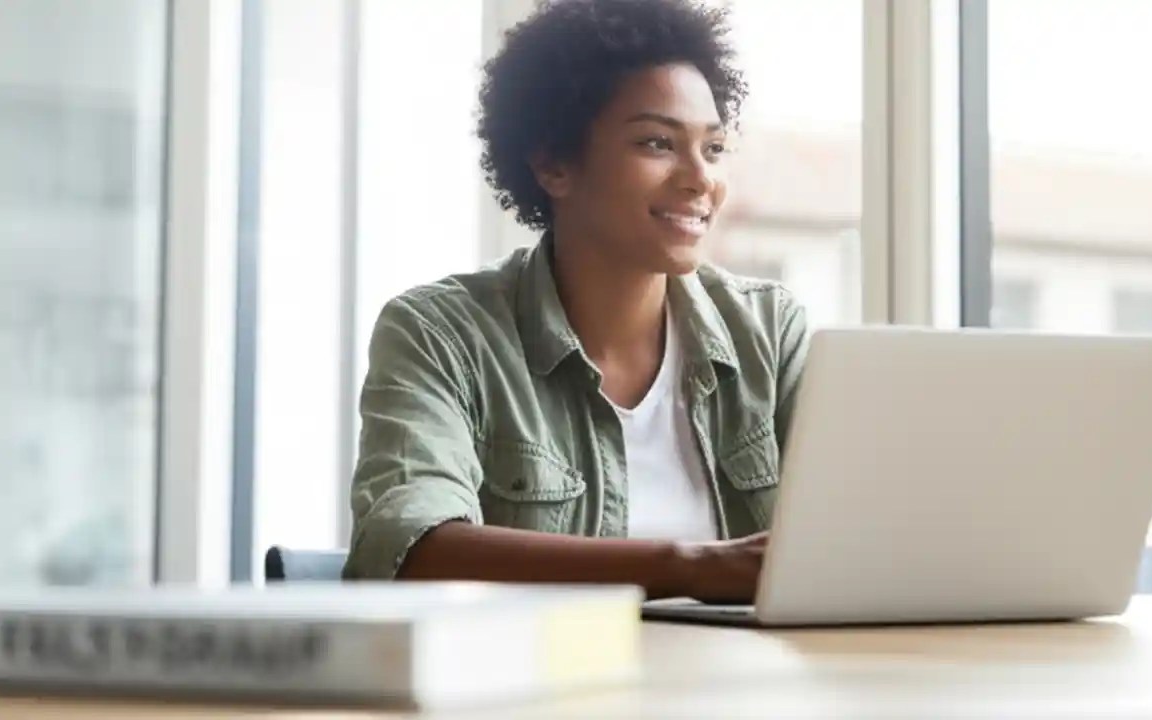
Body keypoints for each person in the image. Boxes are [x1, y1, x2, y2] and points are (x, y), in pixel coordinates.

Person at [343, 0, 808, 604]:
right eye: (657, 143)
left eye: (713, 149)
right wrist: (692, 566)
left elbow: (854, 542)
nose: (701, 178)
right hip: (529, 695)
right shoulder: (441, 334)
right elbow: (414, 549)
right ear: (553, 164)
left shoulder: (769, 332)